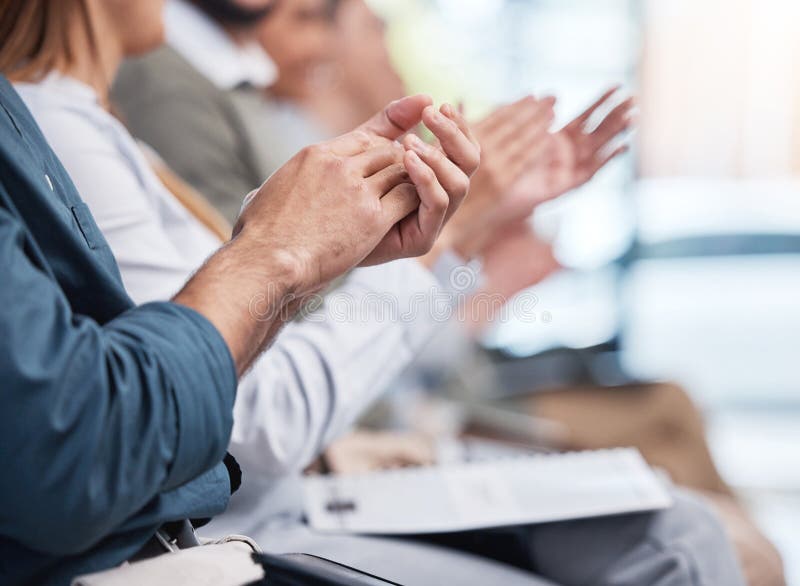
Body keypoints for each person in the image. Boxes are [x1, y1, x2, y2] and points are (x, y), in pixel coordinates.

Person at [19, 1, 749, 585]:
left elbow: (271, 339)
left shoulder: (125, 126)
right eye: (355, 23)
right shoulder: (116, 116)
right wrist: (461, 250)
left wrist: (465, 255)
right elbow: (266, 403)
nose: (365, 47)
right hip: (322, 465)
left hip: (371, 430)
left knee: (686, 501)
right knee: (687, 531)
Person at [0, 2, 479, 585]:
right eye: (306, 19)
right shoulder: (61, 118)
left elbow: (213, 382)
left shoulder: (86, 121)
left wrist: (314, 258)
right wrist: (282, 252)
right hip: (232, 535)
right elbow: (249, 422)